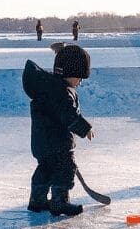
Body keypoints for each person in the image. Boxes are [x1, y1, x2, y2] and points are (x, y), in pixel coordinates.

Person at [22, 44, 94, 216]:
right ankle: (60, 202)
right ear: (67, 73)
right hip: (58, 143)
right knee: (66, 168)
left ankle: (37, 200)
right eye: (78, 77)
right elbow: (67, 114)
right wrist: (85, 128)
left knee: (45, 168)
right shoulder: (60, 92)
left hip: (41, 143)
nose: (80, 82)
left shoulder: (49, 88)